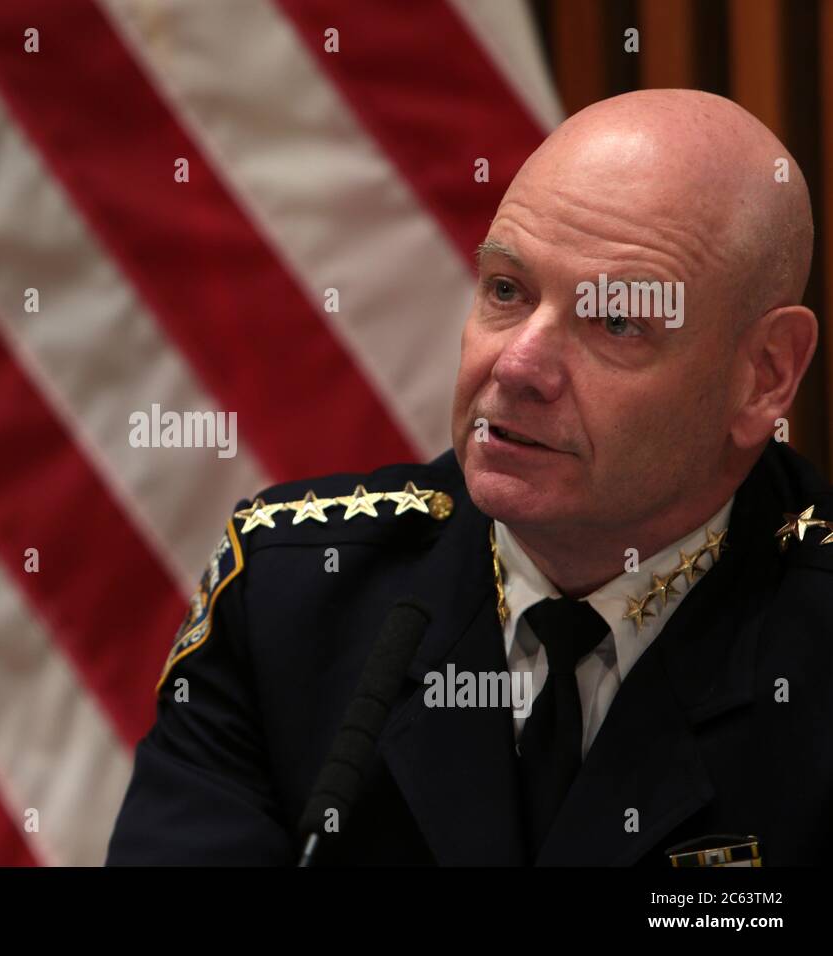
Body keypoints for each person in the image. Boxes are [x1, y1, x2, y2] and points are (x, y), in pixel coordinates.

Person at [105, 89, 832, 866]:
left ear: (763, 376)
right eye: (507, 291)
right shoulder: (293, 595)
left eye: (617, 322)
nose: (517, 364)